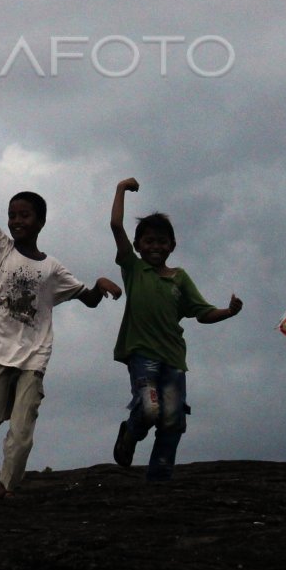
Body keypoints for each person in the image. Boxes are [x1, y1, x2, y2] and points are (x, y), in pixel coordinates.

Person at [0, 124, 122, 499]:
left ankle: (7, 486)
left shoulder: (53, 269)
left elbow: (85, 298)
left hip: (34, 357)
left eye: (25, 215)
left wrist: (100, 284)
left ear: (40, 221)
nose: (17, 221)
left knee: (23, 428)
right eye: (13, 215)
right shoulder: (0, 248)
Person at [110, 177, 243, 482]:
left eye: (161, 241)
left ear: (172, 245)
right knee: (149, 408)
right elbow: (116, 226)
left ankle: (159, 478)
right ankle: (129, 433)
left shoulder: (179, 278)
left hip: (173, 359)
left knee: (172, 419)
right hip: (142, 354)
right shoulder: (134, 268)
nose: (155, 246)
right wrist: (120, 189)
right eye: (149, 241)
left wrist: (228, 311)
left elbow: (202, 312)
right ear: (138, 245)